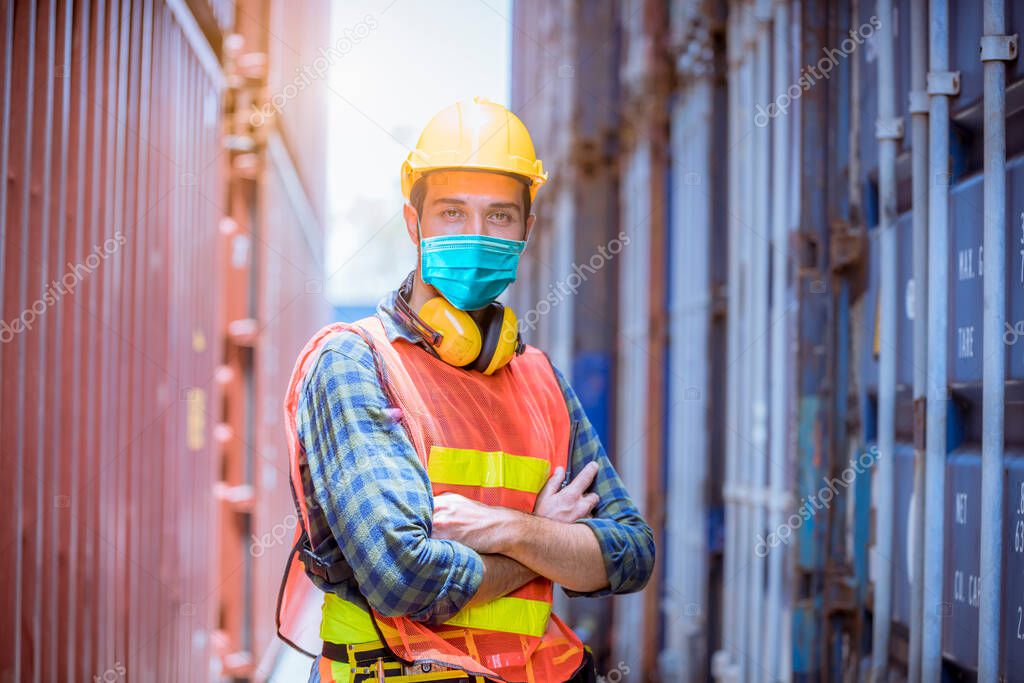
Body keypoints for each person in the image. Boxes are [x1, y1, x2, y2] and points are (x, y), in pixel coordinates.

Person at [278, 97, 655, 683]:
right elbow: (405, 579)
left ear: (527, 230)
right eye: (452, 212)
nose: (476, 235)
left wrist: (507, 527)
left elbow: (630, 555)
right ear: (414, 224)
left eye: (499, 216)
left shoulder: (540, 380)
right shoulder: (357, 364)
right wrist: (548, 541)